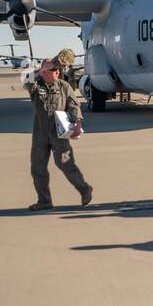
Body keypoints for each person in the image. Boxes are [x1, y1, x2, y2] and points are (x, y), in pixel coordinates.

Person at [24, 58, 92, 211]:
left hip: (59, 132)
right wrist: (39, 70)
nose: (58, 72)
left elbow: (73, 105)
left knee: (65, 164)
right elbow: (24, 79)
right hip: (40, 132)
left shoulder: (63, 86)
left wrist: (78, 123)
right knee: (37, 167)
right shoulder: (36, 85)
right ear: (45, 72)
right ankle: (44, 201)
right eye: (53, 70)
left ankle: (85, 189)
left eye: (57, 70)